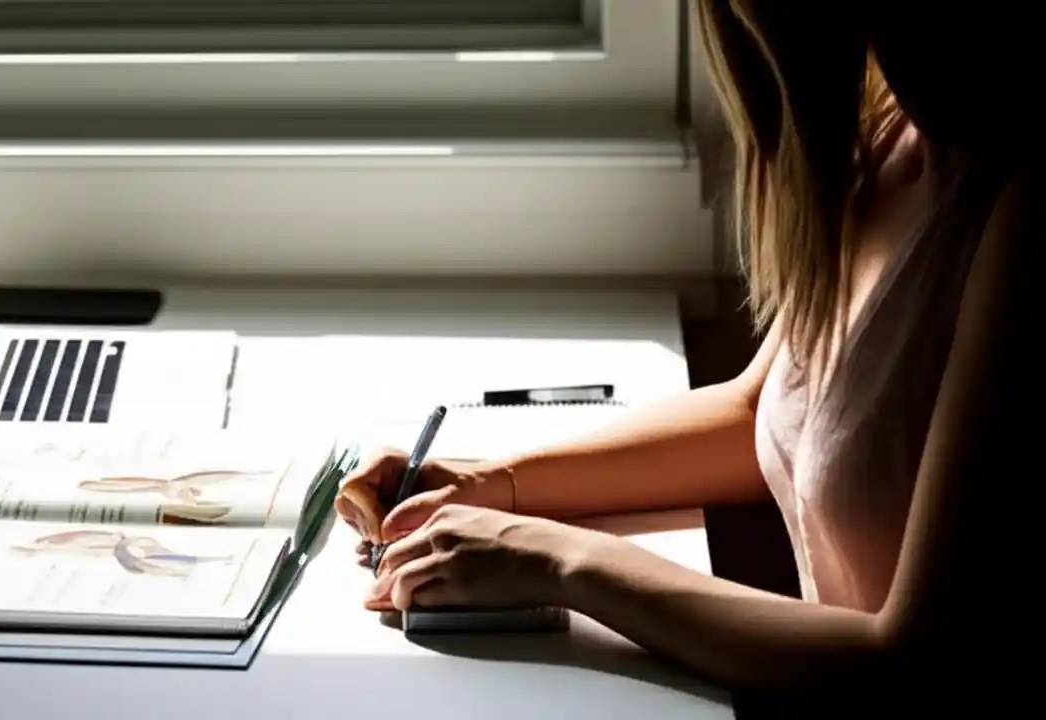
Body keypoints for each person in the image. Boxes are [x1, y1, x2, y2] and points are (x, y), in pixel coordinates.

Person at [335, 0, 1039, 703]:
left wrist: (556, 560)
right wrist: (492, 482)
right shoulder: (888, 139)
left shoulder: (1022, 217)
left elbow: (907, 655)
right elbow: (761, 414)